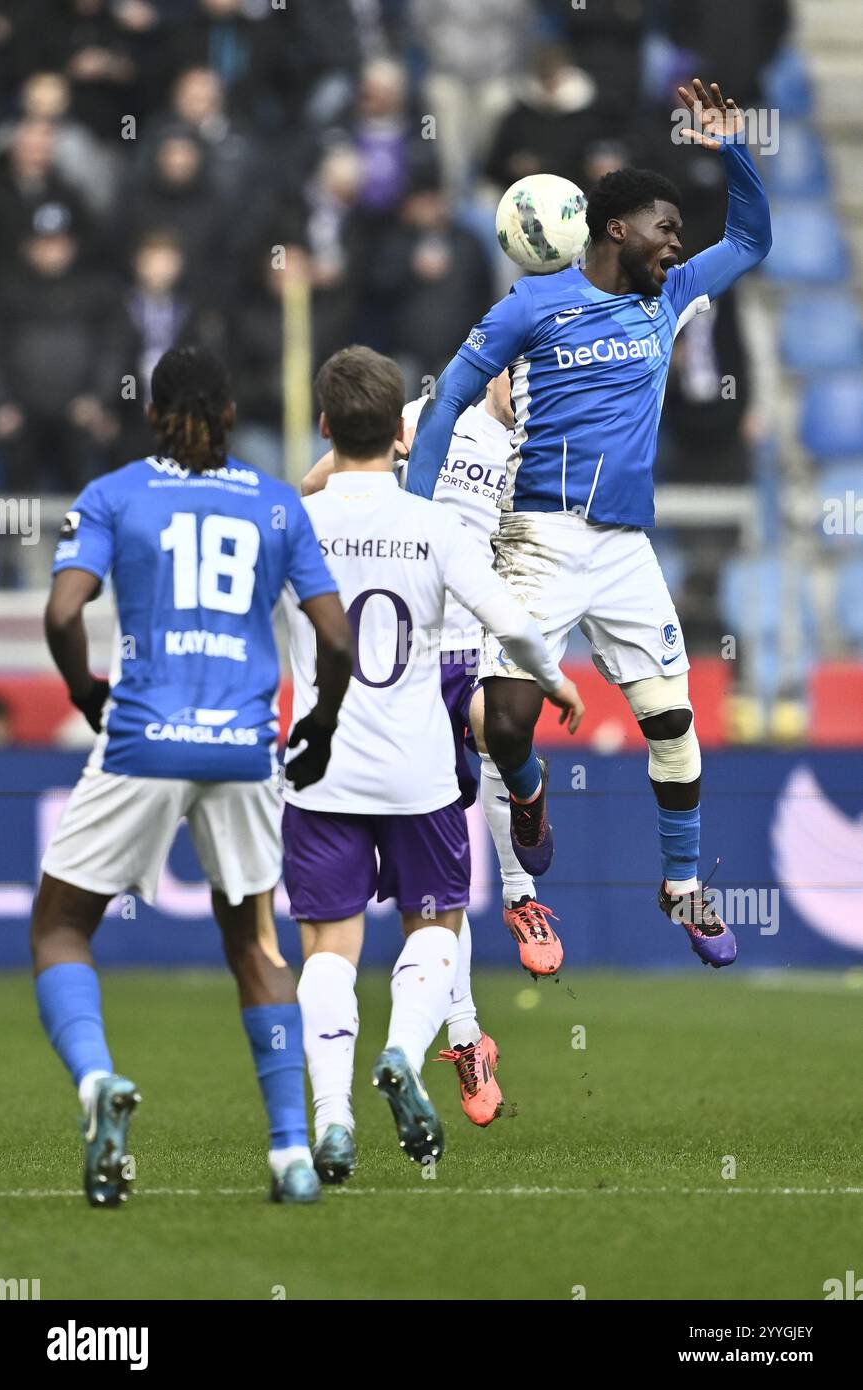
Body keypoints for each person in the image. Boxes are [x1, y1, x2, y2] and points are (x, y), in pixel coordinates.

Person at [405, 81, 773, 968]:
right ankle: (528, 797)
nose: (676, 243)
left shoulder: (674, 293)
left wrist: (730, 148)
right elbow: (454, 394)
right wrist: (414, 517)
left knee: (673, 728)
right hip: (536, 538)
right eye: (665, 228)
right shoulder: (533, 305)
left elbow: (755, 239)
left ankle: (683, 888)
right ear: (617, 230)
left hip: (625, 551)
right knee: (504, 726)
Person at [31, 346, 353, 1208]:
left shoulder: (115, 494)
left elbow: (63, 612)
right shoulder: (278, 504)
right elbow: (337, 639)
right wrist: (316, 727)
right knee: (253, 943)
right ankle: (290, 1153)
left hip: (141, 738)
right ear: (231, 414)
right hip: (244, 747)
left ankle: (99, 1081)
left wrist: (85, 692)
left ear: (152, 415)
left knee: (61, 930)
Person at [283, 346, 583, 1182]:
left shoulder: (296, 527)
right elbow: (515, 622)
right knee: (438, 916)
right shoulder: (431, 475)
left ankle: (334, 1113)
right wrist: (560, 681)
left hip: (356, 735)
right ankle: (443, 1044)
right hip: (423, 700)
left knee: (330, 948)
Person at [302, 373, 567, 981]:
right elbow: (318, 481)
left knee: (500, 730)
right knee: (436, 854)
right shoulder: (427, 417)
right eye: (513, 367)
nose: (521, 381)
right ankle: (466, 1035)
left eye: (535, 370)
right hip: (408, 650)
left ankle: (521, 896)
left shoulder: (545, 447)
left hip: (479, 635)